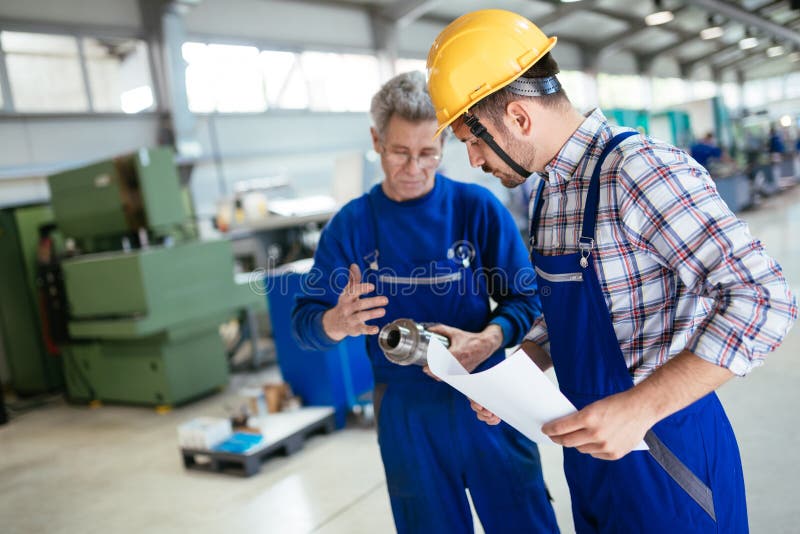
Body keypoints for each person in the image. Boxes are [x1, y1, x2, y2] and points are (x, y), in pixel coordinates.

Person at [426, 9, 797, 533]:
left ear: (518, 118)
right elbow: (571, 316)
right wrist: (514, 375)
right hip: (593, 457)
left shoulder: (640, 171)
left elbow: (765, 300)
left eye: (474, 140)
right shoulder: (549, 191)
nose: (473, 161)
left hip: (670, 461)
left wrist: (640, 408)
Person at [291, 71, 559, 534]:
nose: (414, 167)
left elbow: (528, 298)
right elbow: (304, 324)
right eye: (400, 152)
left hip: (487, 400)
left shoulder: (477, 209)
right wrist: (336, 320)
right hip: (406, 414)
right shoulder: (351, 226)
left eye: (428, 153)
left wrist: (488, 338)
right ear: (376, 141)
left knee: (524, 521)